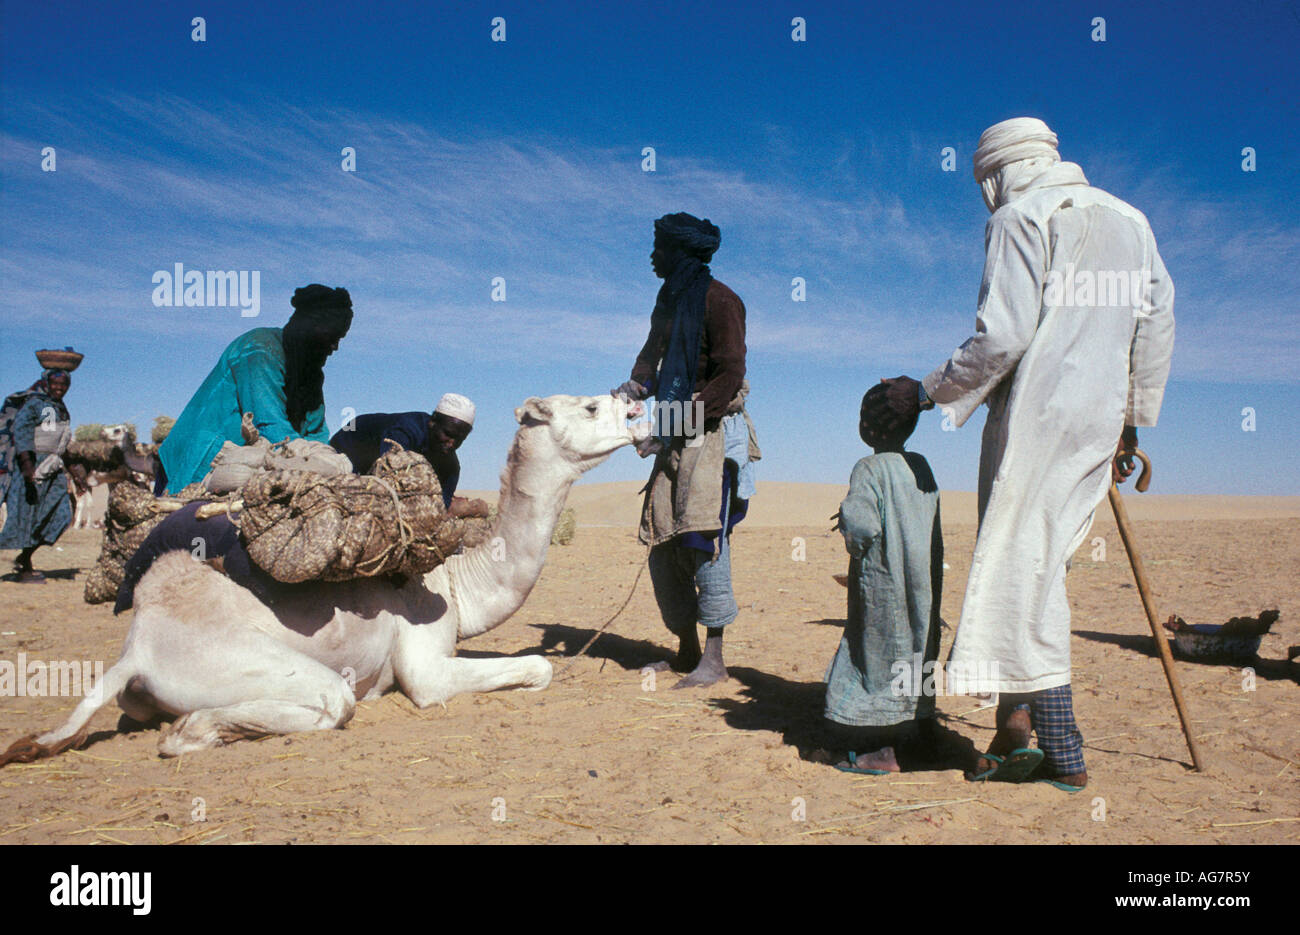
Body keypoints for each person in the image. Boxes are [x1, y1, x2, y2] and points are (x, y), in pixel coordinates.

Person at [864, 117, 1175, 790]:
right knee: (1036, 572)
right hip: (1096, 424)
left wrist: (921, 391)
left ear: (998, 172)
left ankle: (1064, 752)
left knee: (1019, 573)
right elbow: (1155, 323)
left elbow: (1002, 336)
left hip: (1036, 423)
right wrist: (1130, 421)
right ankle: (1014, 733)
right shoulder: (1132, 220)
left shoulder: (1020, 218)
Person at [614, 212, 760, 689]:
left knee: (703, 539)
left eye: (659, 248)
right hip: (675, 434)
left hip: (712, 436)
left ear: (681, 252)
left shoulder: (722, 301)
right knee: (664, 539)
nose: (652, 256)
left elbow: (728, 376)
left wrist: (672, 425)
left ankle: (714, 659)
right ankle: (686, 648)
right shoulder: (670, 298)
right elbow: (653, 349)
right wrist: (636, 387)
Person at [826, 384, 943, 774]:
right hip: (923, 585)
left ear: (868, 428)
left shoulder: (868, 469)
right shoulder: (921, 465)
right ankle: (921, 728)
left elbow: (862, 528)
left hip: (884, 586)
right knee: (919, 647)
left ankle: (886, 749)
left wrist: (846, 521)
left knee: (880, 654)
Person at [157, 284, 353, 494]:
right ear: (307, 326)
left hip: (248, 460)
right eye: (331, 335)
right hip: (200, 459)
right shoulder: (260, 349)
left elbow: (315, 433)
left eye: (339, 338)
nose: (335, 346)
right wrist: (316, 461)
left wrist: (327, 461)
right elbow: (269, 423)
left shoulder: (311, 374)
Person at [329, 393, 488, 518]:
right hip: (346, 450)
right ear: (432, 422)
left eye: (460, 439)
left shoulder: (451, 467)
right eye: (448, 434)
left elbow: (440, 508)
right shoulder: (405, 431)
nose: (452, 443)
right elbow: (389, 475)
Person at [0, 369, 75, 581]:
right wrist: (27, 469)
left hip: (53, 469)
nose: (59, 388)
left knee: (62, 516)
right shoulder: (34, 403)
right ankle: (25, 569)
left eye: (64, 385)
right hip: (33, 468)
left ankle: (24, 557)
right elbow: (22, 433)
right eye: (56, 384)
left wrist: (75, 475)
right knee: (26, 517)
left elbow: (61, 443)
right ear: (46, 383)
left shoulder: (61, 409)